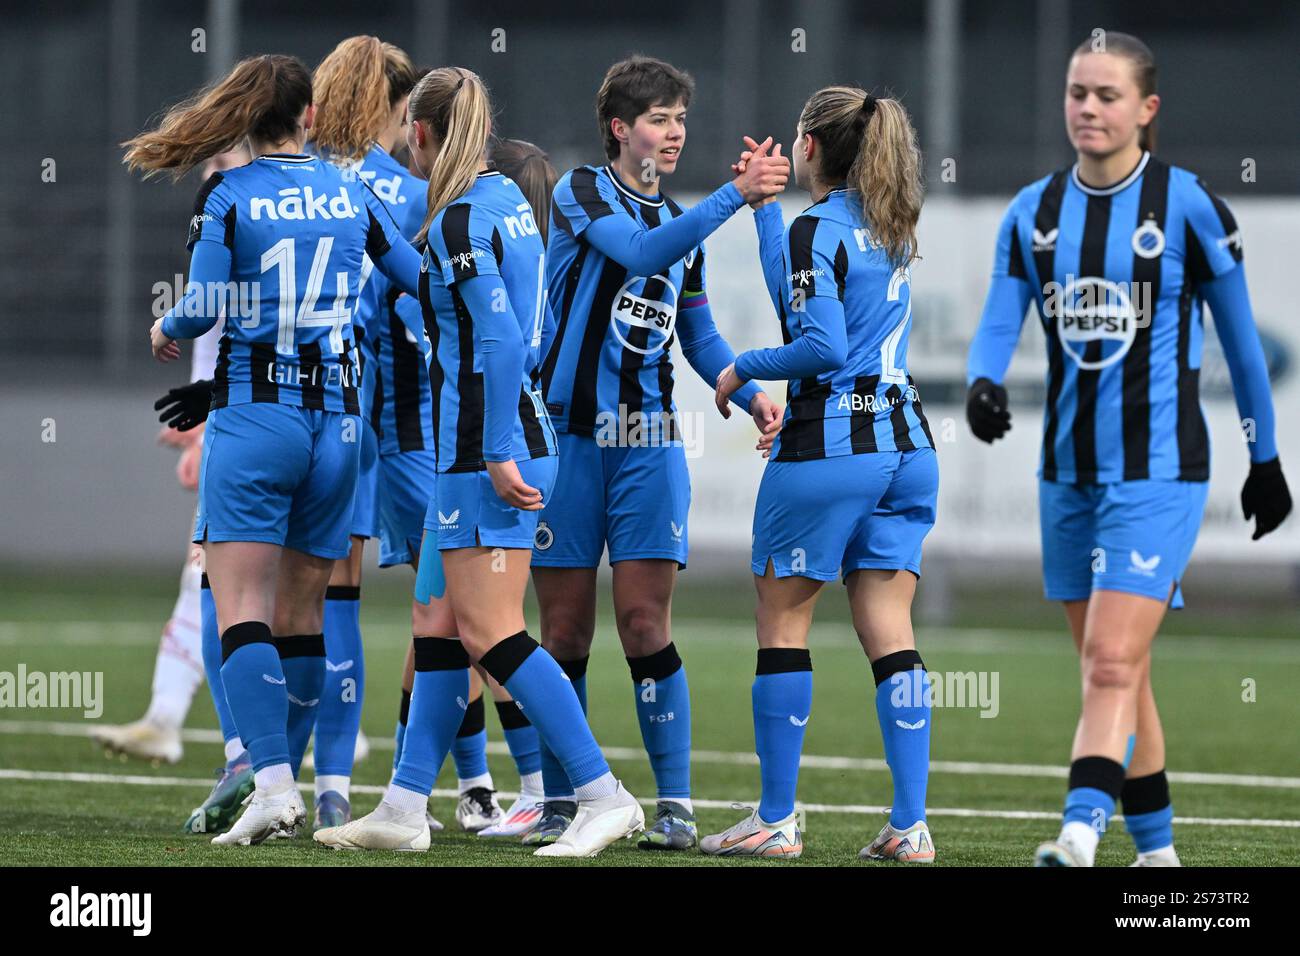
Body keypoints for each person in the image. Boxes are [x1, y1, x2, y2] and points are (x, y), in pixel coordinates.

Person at [963, 32, 1292, 867]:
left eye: (1107, 95)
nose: (1088, 108)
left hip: (1161, 471)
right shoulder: (1030, 212)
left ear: (1147, 110)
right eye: (1078, 92)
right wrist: (983, 380)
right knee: (1119, 670)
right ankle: (1158, 859)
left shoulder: (1187, 207)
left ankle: (1078, 833)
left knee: (1111, 660)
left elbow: (1246, 349)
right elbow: (1003, 316)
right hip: (1065, 473)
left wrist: (1265, 459)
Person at [314, 68, 643, 858]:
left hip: (486, 447)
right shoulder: (497, 206)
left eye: (406, 137)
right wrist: (372, 230)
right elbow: (433, 294)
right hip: (478, 446)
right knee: (437, 626)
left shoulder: (462, 219)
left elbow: (496, 342)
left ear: (421, 135)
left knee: (491, 634)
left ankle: (603, 794)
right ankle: (401, 804)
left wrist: (496, 451)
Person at [124, 52, 426, 846]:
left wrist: (164, 328)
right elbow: (411, 275)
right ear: (313, 119)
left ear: (243, 121)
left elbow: (202, 306)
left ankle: (268, 783)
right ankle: (291, 783)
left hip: (258, 417)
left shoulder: (227, 195)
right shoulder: (354, 191)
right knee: (305, 618)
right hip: (342, 427)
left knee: (241, 610)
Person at [527, 55, 787, 850]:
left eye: (681, 119)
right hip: (566, 442)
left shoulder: (686, 227)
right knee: (564, 633)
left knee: (644, 623)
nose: (674, 133)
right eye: (660, 119)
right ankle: (568, 798)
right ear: (620, 128)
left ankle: (674, 804)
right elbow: (639, 256)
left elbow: (697, 335)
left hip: (646, 443)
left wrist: (746, 390)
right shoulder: (579, 193)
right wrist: (735, 197)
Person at [702, 87, 938, 862]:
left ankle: (774, 819)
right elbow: (799, 300)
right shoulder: (889, 222)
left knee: (783, 624)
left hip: (834, 442)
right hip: (908, 447)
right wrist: (765, 210)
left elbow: (821, 347)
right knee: (890, 632)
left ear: (809, 147)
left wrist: (741, 368)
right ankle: (910, 826)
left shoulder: (823, 227)